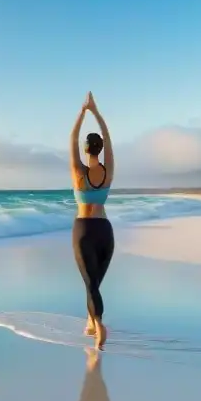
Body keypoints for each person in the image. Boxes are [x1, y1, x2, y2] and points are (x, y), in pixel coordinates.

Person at [70, 91, 115, 350]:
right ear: (101, 148)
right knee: (94, 283)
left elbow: (72, 138)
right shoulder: (108, 172)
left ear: (86, 149)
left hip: (84, 230)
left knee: (90, 283)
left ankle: (98, 326)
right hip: (105, 231)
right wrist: (96, 112)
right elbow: (107, 137)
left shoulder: (78, 172)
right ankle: (90, 321)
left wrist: (82, 112)